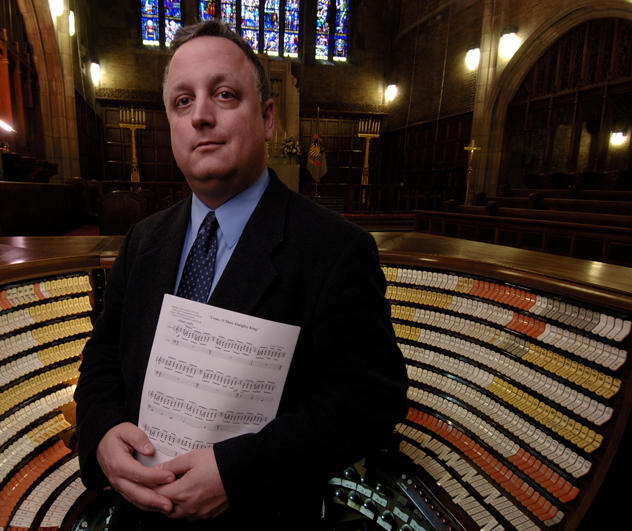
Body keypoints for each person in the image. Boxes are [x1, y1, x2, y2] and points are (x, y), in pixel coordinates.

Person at [74, 19, 408, 530]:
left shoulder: (334, 248)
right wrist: (102, 431)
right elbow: (103, 355)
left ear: (268, 118)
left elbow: (369, 398)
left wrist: (241, 471)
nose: (201, 116)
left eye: (224, 94)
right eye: (182, 102)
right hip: (139, 513)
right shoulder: (143, 240)